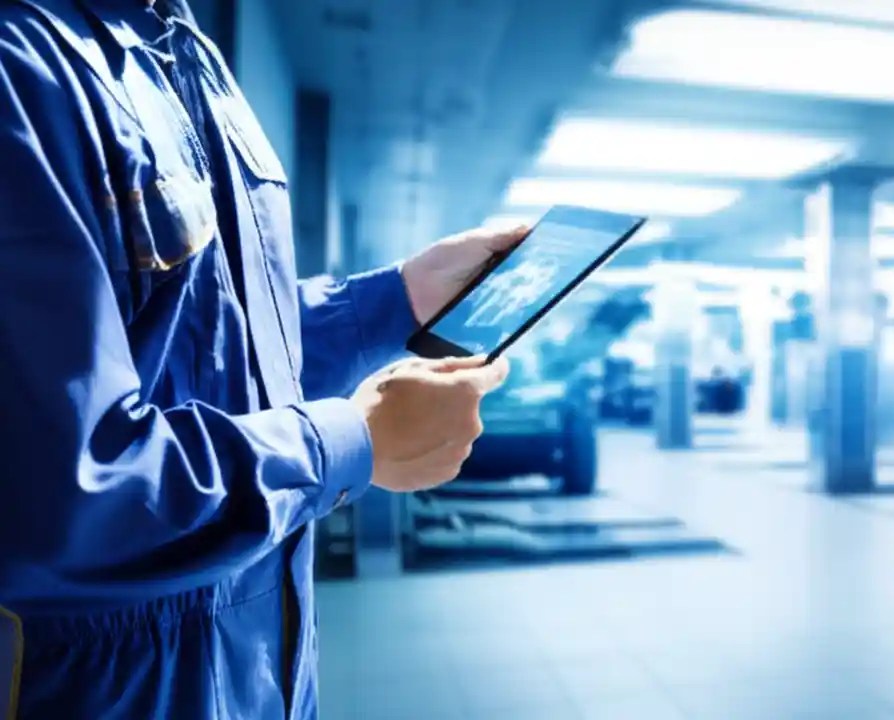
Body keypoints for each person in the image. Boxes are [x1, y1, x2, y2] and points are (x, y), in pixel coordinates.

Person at [0, 0, 526, 716]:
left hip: (262, 679)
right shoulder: (21, 63)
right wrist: (353, 441)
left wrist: (395, 301)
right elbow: (61, 497)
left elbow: (216, 350)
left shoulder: (191, 55)